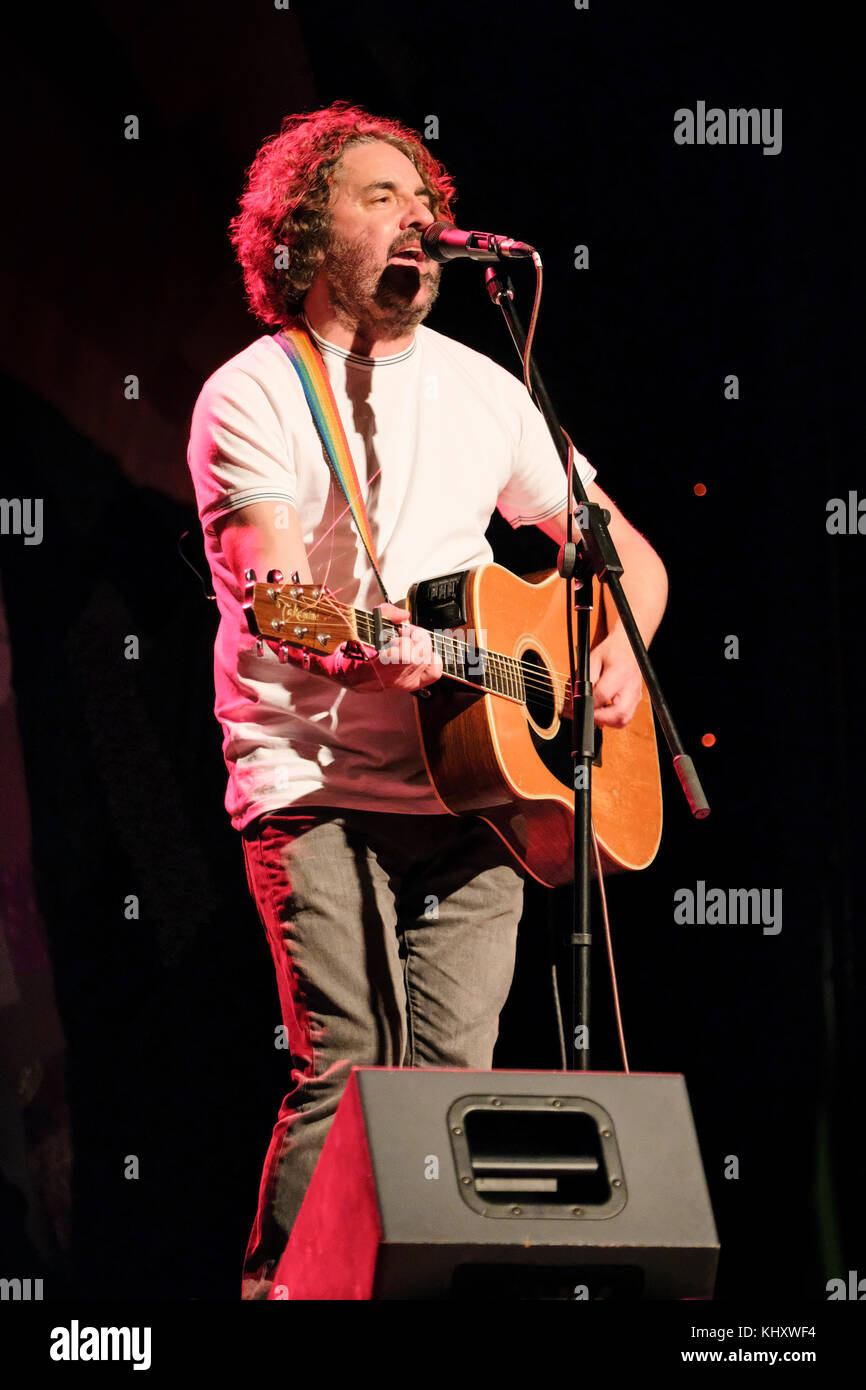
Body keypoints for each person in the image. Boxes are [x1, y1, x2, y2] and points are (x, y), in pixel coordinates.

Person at [186, 102, 668, 1299]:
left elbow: (631, 562)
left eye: (425, 199)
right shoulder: (254, 393)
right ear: (301, 237)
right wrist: (364, 653)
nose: (418, 217)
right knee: (348, 1070)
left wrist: (617, 645)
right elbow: (281, 605)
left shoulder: (486, 389)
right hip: (317, 783)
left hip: (486, 796)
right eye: (377, 196)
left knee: (448, 1096)